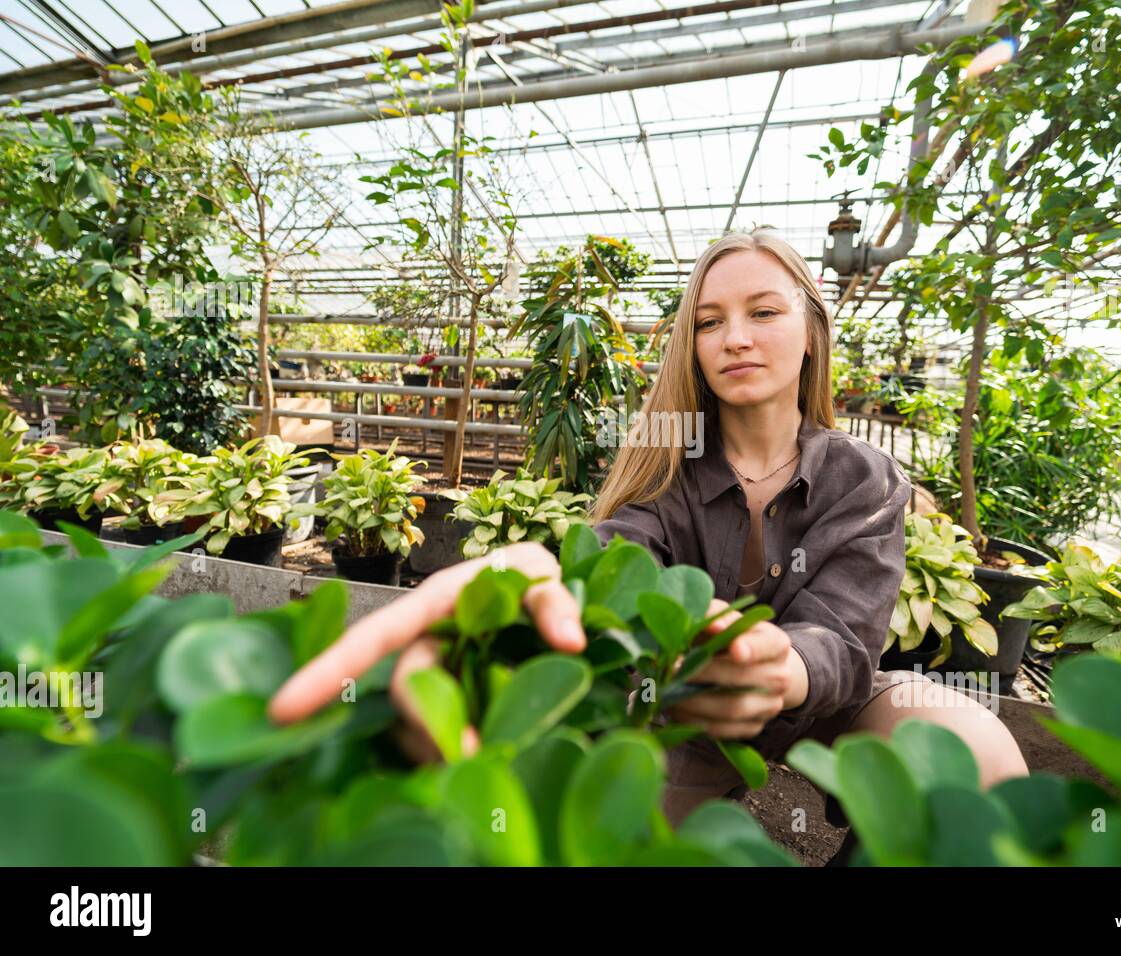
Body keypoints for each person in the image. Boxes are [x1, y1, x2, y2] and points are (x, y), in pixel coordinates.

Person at [268, 228, 1028, 829]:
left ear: (811, 327)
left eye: (763, 312)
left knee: (974, 749)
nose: (735, 337)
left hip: (824, 705)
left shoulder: (864, 478)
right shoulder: (673, 460)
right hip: (682, 706)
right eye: (709, 321)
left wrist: (779, 665)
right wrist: (536, 575)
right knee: (608, 832)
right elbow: (616, 553)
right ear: (691, 346)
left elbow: (846, 638)